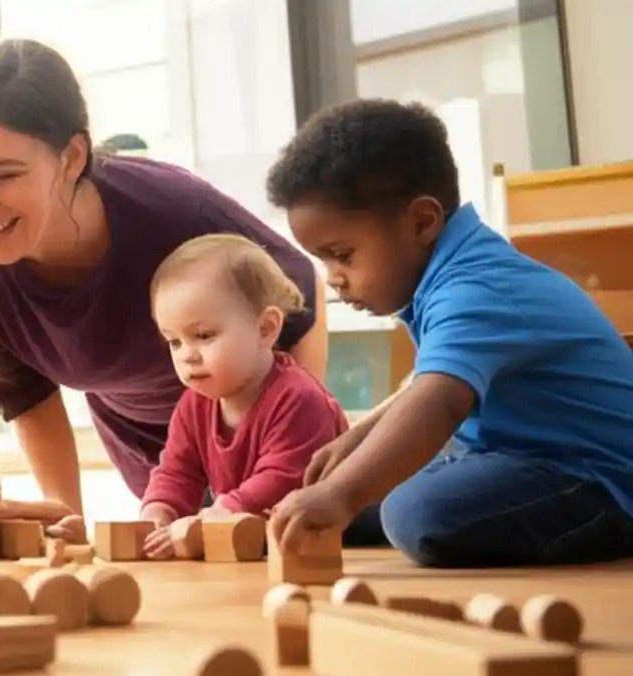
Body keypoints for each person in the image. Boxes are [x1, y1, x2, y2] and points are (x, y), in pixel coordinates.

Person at [0, 38, 327, 519]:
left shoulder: (176, 213)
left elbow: (297, 297)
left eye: (4, 175)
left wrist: (280, 439)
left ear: (72, 158)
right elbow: (26, 398)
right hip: (155, 457)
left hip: (262, 437)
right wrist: (65, 514)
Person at [267, 98, 633, 567]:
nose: (333, 277)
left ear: (422, 222)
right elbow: (422, 387)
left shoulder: (475, 287)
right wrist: (355, 443)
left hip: (599, 478)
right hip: (522, 458)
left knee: (416, 512)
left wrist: (342, 493)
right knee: (351, 488)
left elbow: (438, 401)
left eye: (343, 254)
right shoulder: (453, 274)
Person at [139, 235, 346, 559]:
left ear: (265, 329)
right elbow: (178, 471)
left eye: (203, 336)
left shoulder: (299, 399)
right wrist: (158, 509)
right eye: (174, 342)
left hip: (341, 522)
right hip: (259, 523)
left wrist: (224, 512)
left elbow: (286, 478)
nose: (187, 356)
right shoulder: (194, 404)